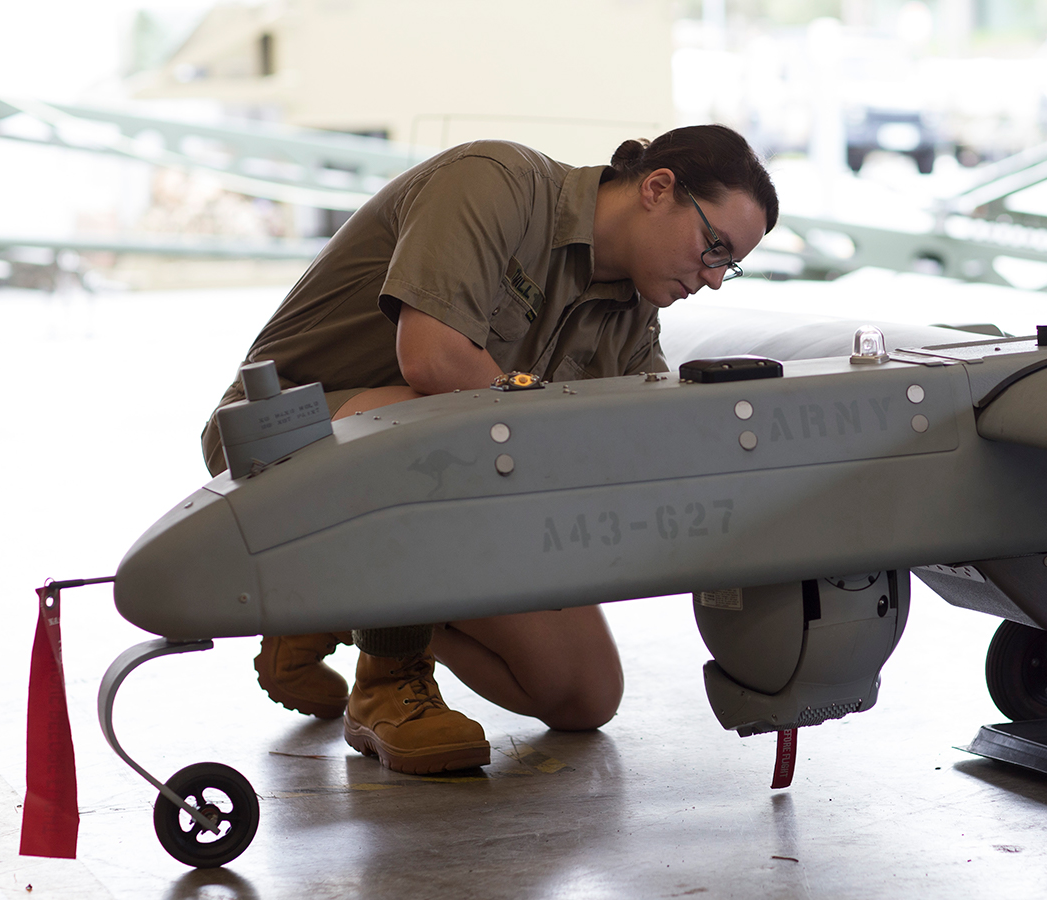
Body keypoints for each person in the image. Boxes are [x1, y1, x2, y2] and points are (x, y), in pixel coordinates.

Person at [201, 124, 779, 775]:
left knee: (585, 693)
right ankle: (388, 678)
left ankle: (336, 609)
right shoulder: (495, 182)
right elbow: (432, 358)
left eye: (730, 264)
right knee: (439, 429)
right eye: (713, 247)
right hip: (282, 444)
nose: (714, 279)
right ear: (658, 188)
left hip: (443, 479)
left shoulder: (631, 312)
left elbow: (637, 451)